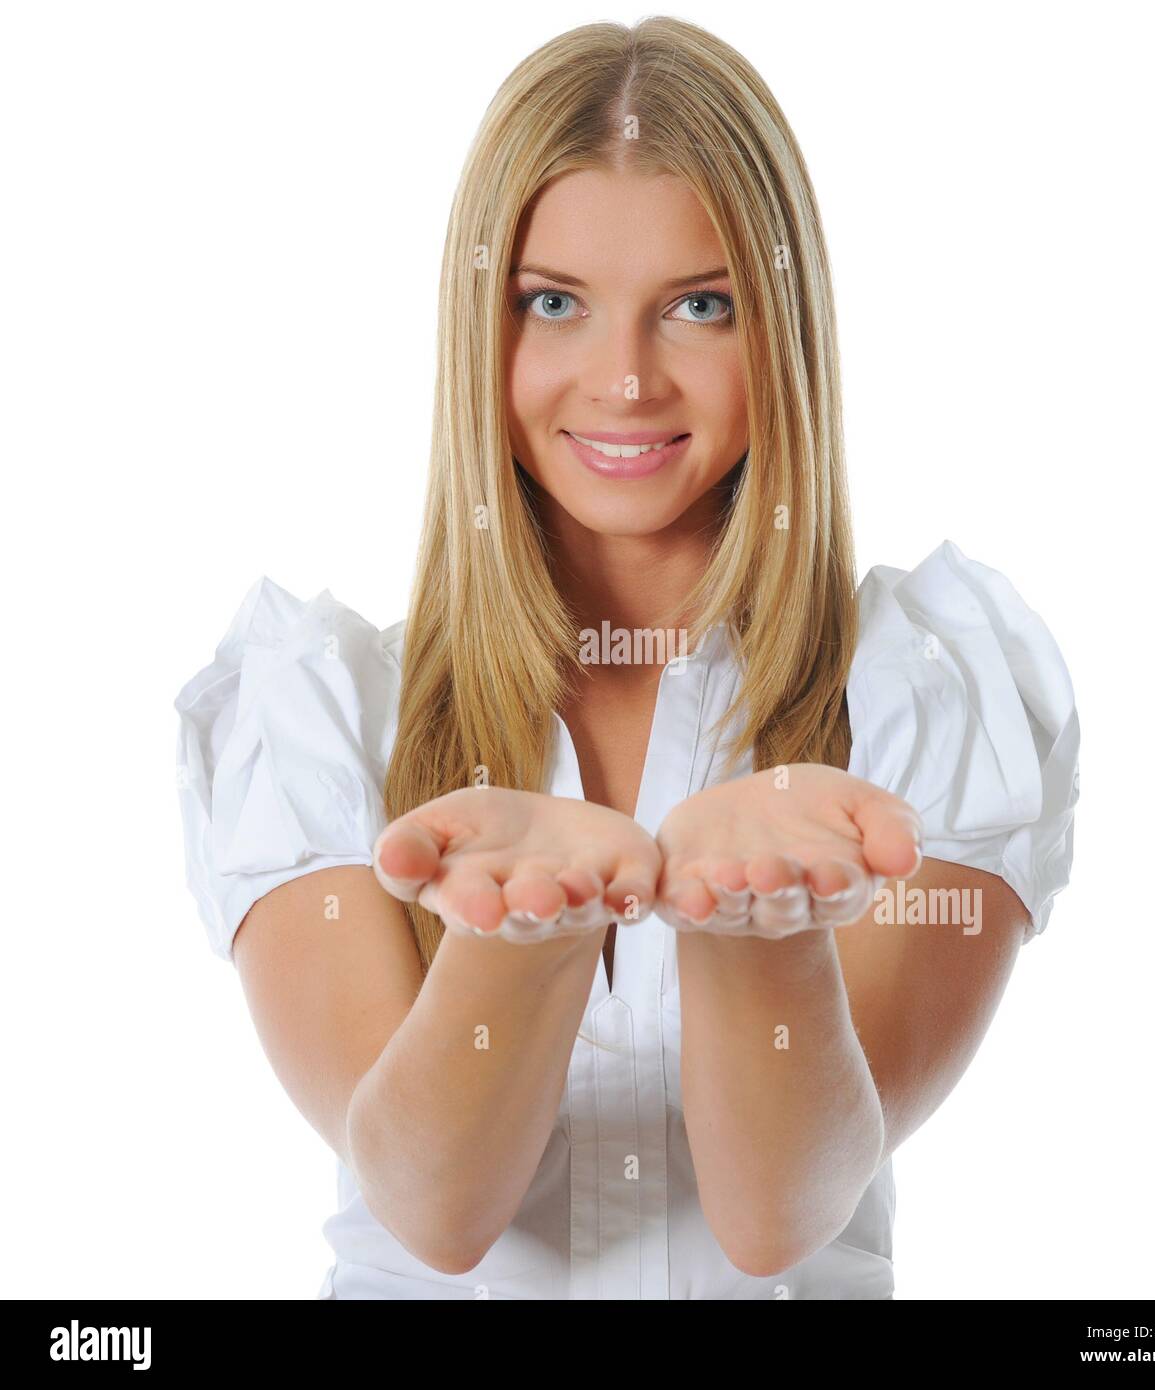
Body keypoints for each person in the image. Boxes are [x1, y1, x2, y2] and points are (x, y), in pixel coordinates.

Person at [173, 17, 1080, 1300]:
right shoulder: (325, 708)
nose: (624, 380)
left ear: (783, 330)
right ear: (480, 331)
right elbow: (433, 1206)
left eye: (698, 307)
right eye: (554, 303)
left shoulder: (927, 693)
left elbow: (781, 1215)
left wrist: (760, 928)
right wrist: (521, 934)